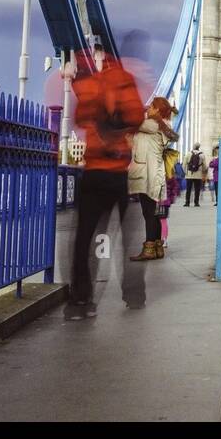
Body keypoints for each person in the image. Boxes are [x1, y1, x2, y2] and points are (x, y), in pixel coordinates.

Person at [66, 50, 146, 317]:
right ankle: (134, 295)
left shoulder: (93, 83)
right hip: (118, 174)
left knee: (85, 238)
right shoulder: (126, 81)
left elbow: (79, 118)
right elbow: (136, 118)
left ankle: (80, 300)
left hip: (93, 172)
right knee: (129, 239)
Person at [128, 97, 178, 261]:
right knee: (153, 213)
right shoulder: (160, 126)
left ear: (158, 109)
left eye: (151, 107)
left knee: (148, 212)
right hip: (153, 172)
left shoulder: (153, 124)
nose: (148, 109)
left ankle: (149, 247)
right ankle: (157, 247)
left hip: (147, 174)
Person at [184, 142, 206, 206]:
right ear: (199, 147)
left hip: (189, 175)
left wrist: (186, 172)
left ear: (193, 147)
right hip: (198, 175)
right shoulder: (202, 155)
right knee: (197, 189)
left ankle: (187, 202)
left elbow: (184, 164)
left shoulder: (188, 153)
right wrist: (202, 171)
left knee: (188, 189)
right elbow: (205, 166)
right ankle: (196, 203)